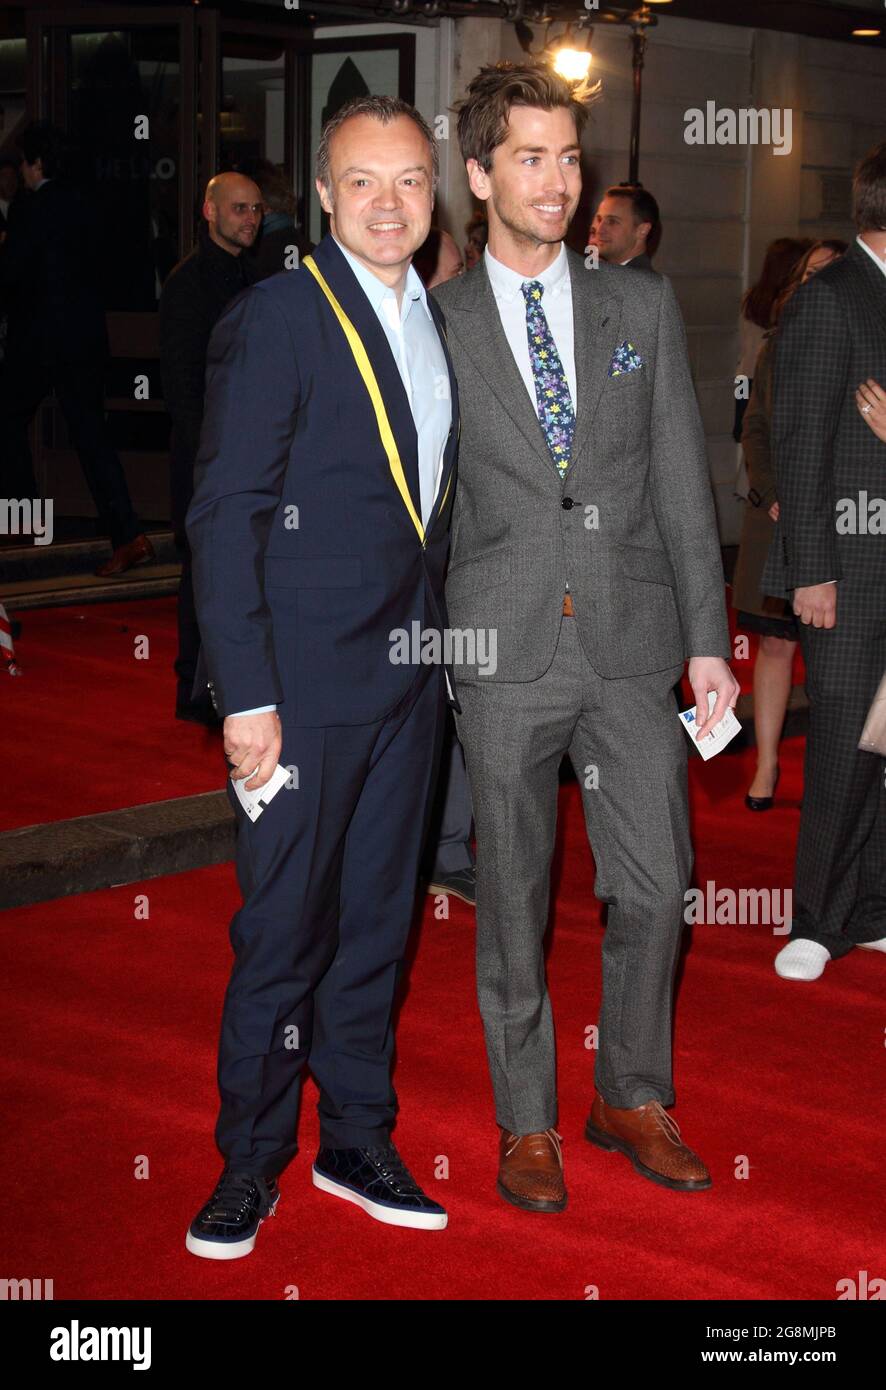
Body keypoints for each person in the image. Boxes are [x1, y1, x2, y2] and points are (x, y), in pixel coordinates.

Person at [432, 61, 739, 1213]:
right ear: (478, 174)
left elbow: (678, 477)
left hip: (629, 641)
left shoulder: (638, 303)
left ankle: (630, 1094)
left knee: (658, 886)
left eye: (568, 157)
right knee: (512, 896)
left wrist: (708, 641)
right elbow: (423, 498)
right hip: (502, 651)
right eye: (529, 157)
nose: (557, 181)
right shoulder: (441, 320)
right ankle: (526, 1120)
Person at [184, 94, 459, 1257]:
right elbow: (225, 511)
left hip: (410, 685)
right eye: (364, 181)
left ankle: (354, 1135)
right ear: (325, 195)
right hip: (299, 694)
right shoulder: (280, 317)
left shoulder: (438, 322)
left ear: (433, 195)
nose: (389, 202)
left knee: (378, 931)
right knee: (284, 934)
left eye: (409, 180)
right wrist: (245, 698)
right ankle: (247, 1163)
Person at [761, 143, 886, 981]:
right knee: (843, 738)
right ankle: (816, 918)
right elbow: (799, 445)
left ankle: (871, 909)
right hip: (848, 565)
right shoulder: (831, 300)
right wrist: (811, 568)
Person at [0, 123, 151, 574]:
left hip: (40, 339)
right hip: (83, 337)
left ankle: (26, 518)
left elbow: (12, 275)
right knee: (91, 437)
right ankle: (127, 533)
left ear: (37, 162)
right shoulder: (86, 204)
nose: (22, 173)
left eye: (24, 163)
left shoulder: (32, 208)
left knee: (7, 419)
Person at [731, 239, 847, 810]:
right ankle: (767, 764)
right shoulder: (776, 348)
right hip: (778, 520)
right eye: (812, 272)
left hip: (845, 525)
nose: (819, 282)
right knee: (774, 647)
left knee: (837, 658)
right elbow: (754, 428)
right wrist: (774, 492)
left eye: (832, 272)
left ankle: (837, 771)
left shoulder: (862, 344)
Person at [160, 172, 263, 723]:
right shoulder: (188, 284)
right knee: (201, 568)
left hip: (247, 452)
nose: (250, 218)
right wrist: (211, 462)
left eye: (256, 210)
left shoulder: (259, 274)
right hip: (205, 456)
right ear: (209, 210)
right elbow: (182, 387)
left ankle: (227, 684)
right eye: (239, 209)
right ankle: (190, 685)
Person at [733, 237, 812, 444]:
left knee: (748, 437)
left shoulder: (750, 298)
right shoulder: (791, 302)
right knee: (763, 438)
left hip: (744, 377)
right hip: (768, 378)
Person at [240, 158, 312, 280]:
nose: (248, 216)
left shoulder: (252, 257)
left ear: (263, 207)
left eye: (253, 207)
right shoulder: (312, 252)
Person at [587, 183, 660, 270]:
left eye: (612, 221)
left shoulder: (641, 282)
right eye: (599, 220)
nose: (599, 230)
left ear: (642, 230)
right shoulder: (602, 273)